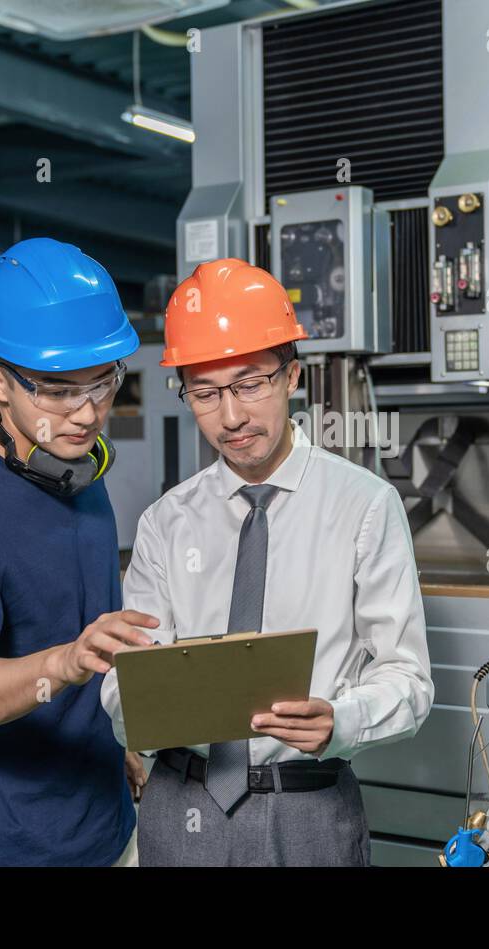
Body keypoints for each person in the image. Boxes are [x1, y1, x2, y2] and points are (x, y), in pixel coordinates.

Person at [100, 257, 433, 866]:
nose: (230, 417)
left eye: (249, 383)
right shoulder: (165, 523)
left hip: (305, 812)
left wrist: (342, 720)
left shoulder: (364, 506)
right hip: (178, 807)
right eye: (203, 392)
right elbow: (124, 684)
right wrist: (132, 704)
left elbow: (408, 681)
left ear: (291, 377)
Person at [0, 237, 154, 866]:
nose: (87, 414)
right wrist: (67, 662)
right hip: (10, 848)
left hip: (106, 825)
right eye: (57, 390)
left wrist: (112, 741)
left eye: (103, 383)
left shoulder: (77, 472)